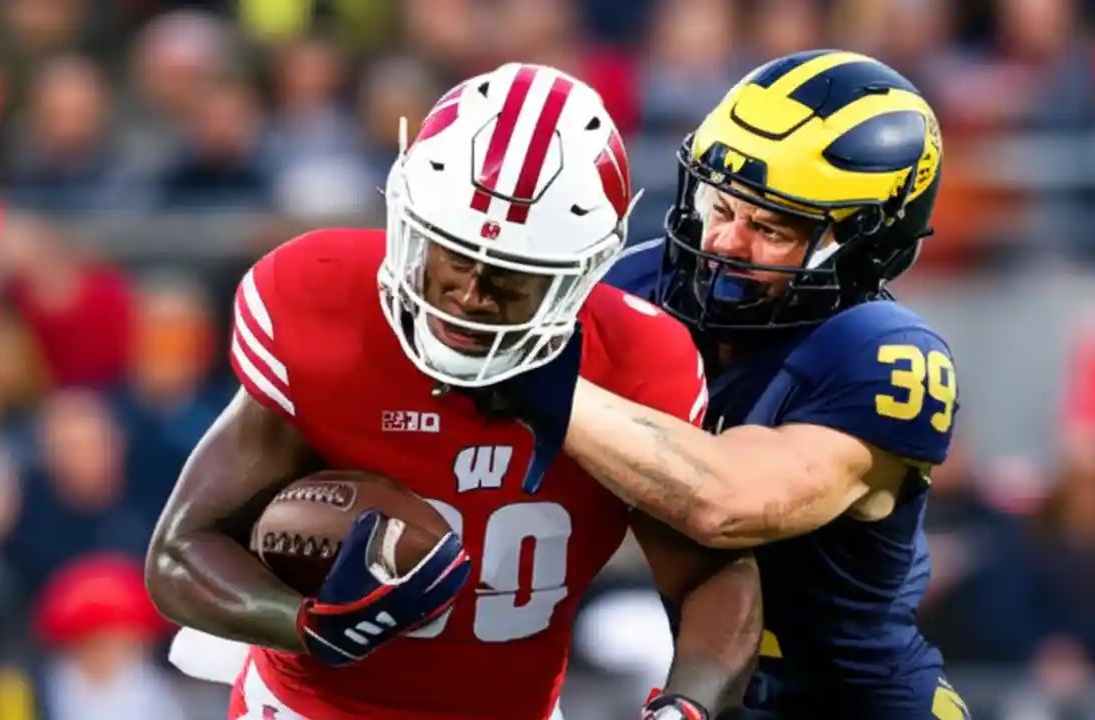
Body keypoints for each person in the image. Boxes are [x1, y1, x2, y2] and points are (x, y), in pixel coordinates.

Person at [145, 62, 761, 720]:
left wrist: (685, 708)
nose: (469, 293)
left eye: (509, 275)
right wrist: (304, 623)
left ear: (578, 276)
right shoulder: (322, 302)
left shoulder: (638, 361)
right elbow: (182, 549)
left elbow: (711, 575)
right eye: (453, 255)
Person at [564, 50, 972, 719]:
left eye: (771, 228)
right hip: (715, 689)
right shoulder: (638, 287)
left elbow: (726, 504)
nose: (725, 241)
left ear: (865, 245)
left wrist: (537, 380)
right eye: (720, 204)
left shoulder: (886, 353)